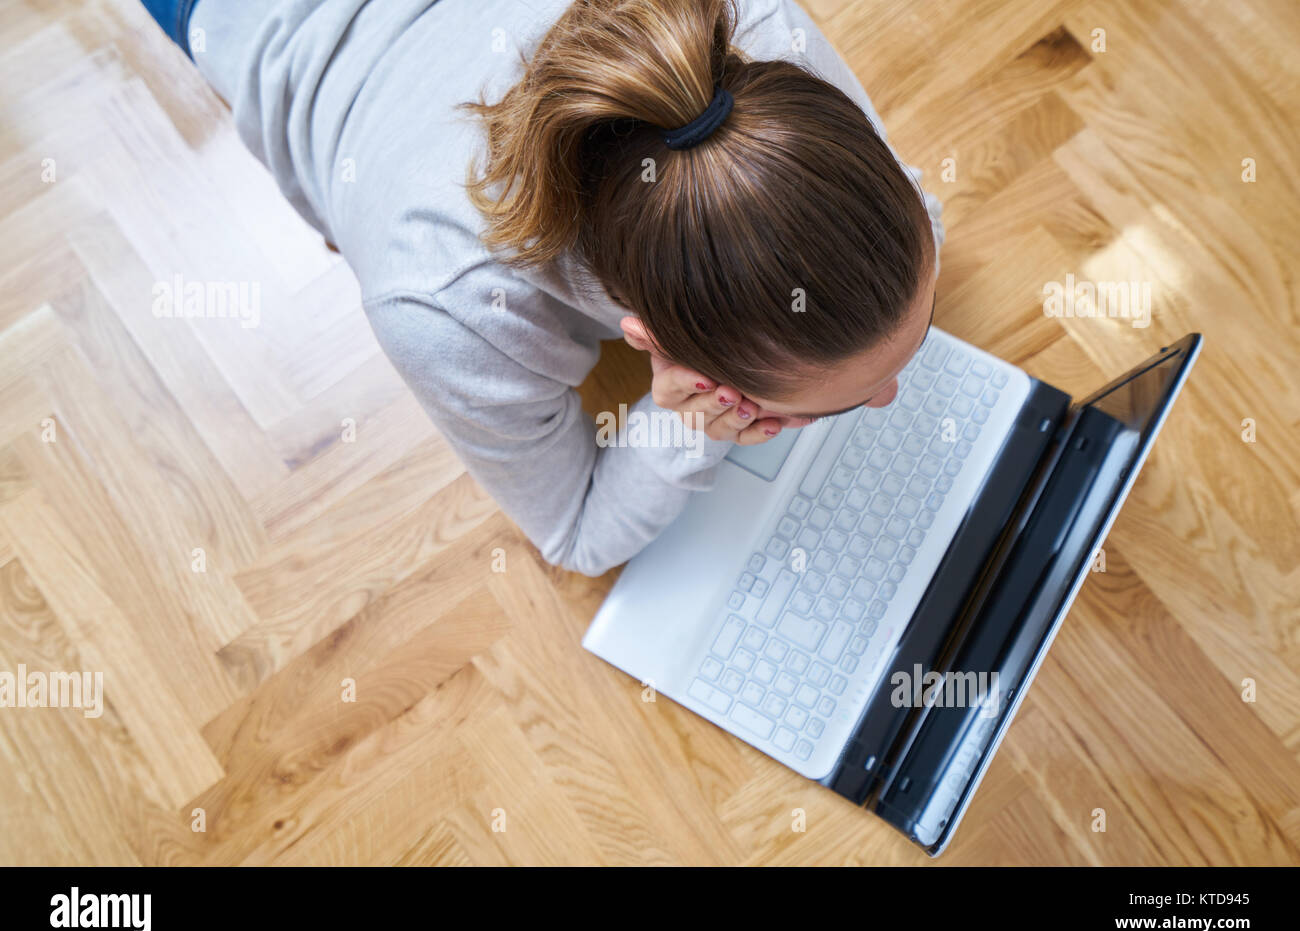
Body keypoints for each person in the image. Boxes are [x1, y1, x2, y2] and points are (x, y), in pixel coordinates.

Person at [139, 0, 944, 576]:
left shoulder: (762, 46)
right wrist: (688, 425)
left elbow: (914, 208)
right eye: (827, 405)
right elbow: (573, 535)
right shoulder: (446, 302)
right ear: (652, 344)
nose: (889, 397)